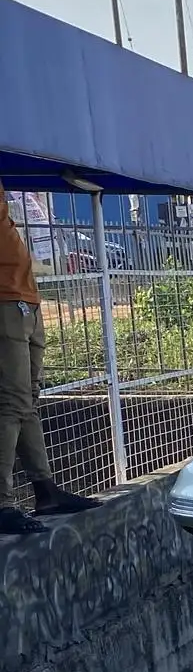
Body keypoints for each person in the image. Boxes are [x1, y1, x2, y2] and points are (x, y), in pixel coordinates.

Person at [0, 181, 99, 534]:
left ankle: (45, 490)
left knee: (28, 400)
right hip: (6, 302)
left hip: (24, 299)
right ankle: (3, 501)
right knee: (12, 402)